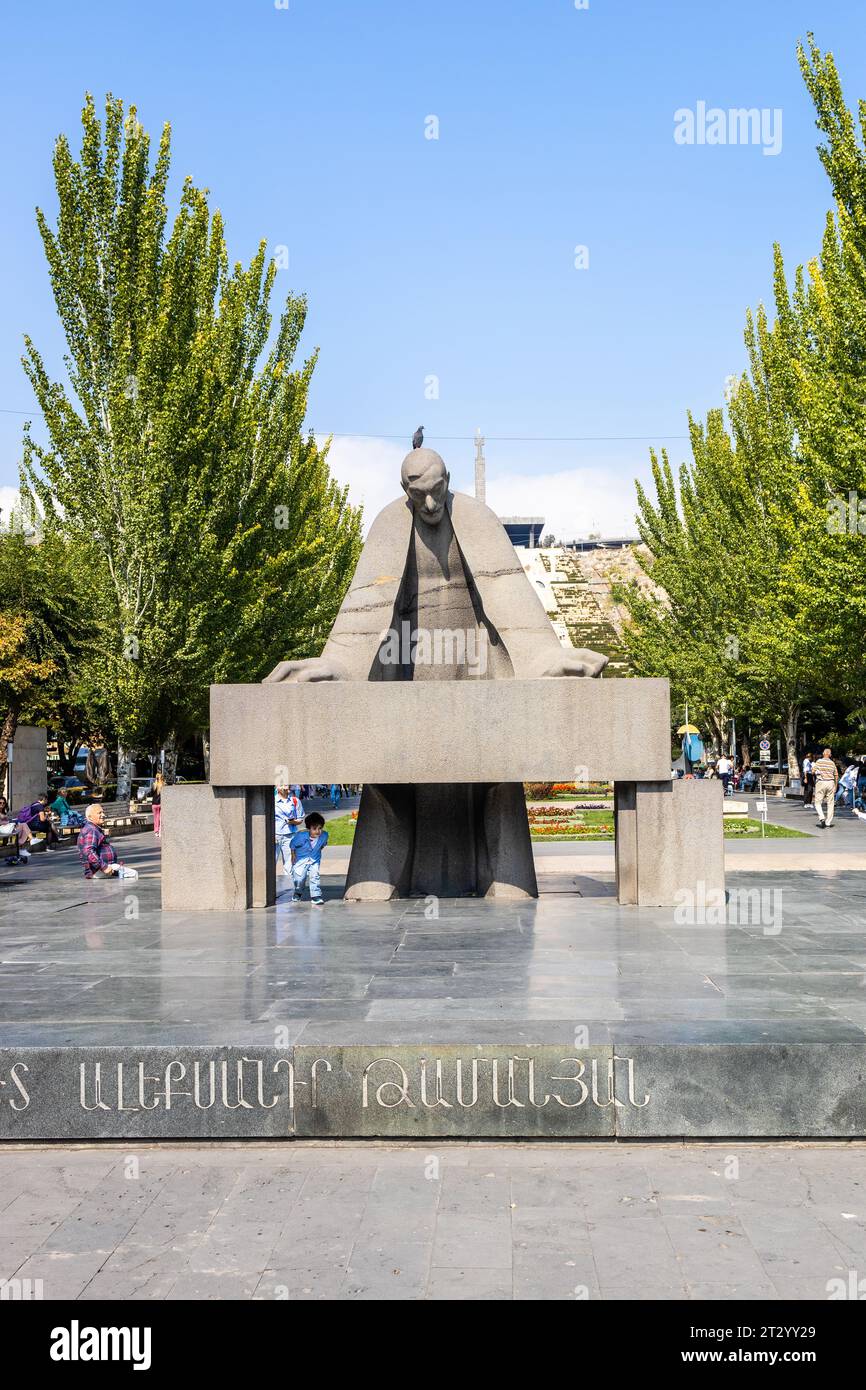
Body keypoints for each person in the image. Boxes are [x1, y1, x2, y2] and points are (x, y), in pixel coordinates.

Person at [77, 804, 137, 879]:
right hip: (98, 870)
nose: (103, 815)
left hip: (100, 869)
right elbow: (88, 851)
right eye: (99, 813)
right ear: (90, 817)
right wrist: (104, 867)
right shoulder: (92, 829)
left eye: (103, 812)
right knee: (133, 874)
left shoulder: (92, 828)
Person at [289, 811, 328, 905]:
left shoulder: (324, 835)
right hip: (301, 859)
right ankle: (298, 892)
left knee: (315, 875)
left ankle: (316, 896)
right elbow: (292, 844)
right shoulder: (301, 836)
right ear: (308, 828)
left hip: (314, 859)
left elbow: (323, 844)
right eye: (314, 828)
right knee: (299, 878)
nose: (318, 831)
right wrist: (293, 855)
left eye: (320, 828)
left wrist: (317, 852)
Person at [275, 785, 305, 874]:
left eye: (287, 784)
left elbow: (300, 819)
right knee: (271, 862)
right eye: (282, 785)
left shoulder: (295, 801)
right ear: (277, 788)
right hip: (275, 835)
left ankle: (287, 886)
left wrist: (292, 822)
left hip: (290, 835)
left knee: (289, 864)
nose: (286, 787)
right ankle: (269, 886)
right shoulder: (272, 801)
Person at [0, 796, 32, 863]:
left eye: (3, 803)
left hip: (7, 829)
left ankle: (20, 845)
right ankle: (31, 840)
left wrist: (12, 821)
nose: (2, 804)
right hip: (2, 830)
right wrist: (9, 822)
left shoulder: (4, 811)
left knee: (23, 826)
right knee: (23, 825)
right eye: (0, 803)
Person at [812, 747, 839, 829]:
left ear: (823, 754)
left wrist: (816, 772)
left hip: (821, 782)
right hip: (830, 783)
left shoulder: (819, 761)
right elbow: (836, 775)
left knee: (817, 802)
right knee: (830, 804)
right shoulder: (832, 763)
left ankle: (822, 817)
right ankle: (828, 822)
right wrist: (835, 786)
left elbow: (813, 771)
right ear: (830, 755)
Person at [152, 772, 164, 837]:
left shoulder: (154, 785)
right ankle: (160, 831)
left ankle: (156, 831)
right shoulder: (163, 785)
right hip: (161, 803)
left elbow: (151, 793)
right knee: (160, 818)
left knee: (155, 818)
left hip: (154, 804)